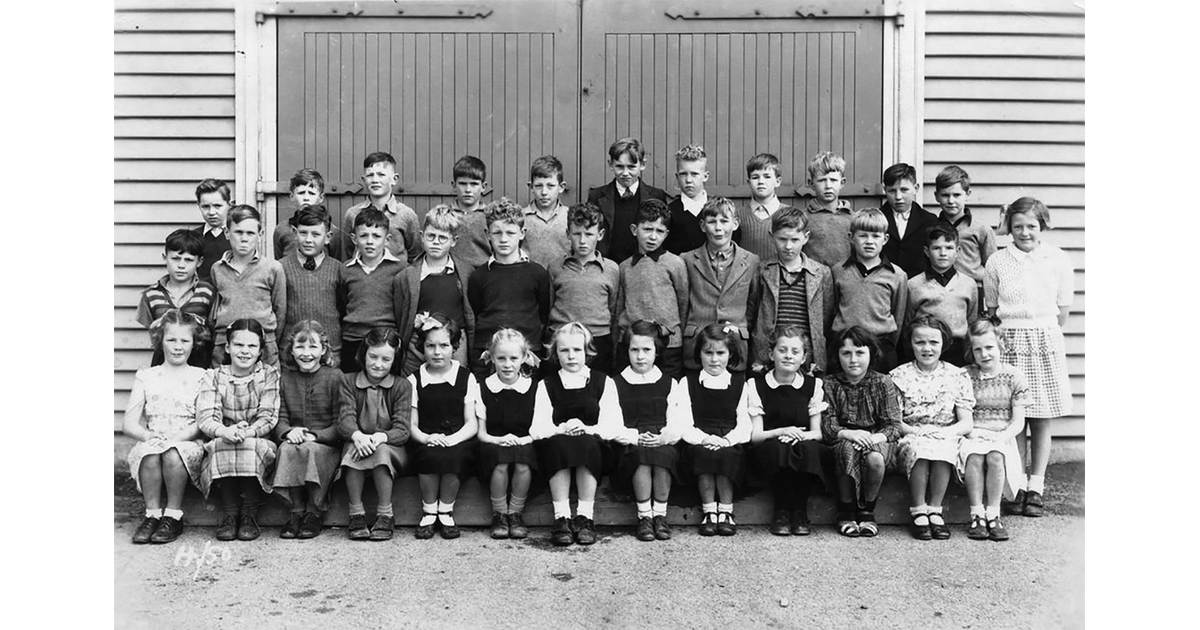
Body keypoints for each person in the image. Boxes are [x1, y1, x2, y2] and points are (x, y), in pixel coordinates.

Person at [983, 197, 1074, 518]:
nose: (1024, 232)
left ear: (1043, 226)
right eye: (1018, 226)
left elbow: (1062, 311)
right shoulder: (997, 261)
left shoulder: (1058, 259)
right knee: (1015, 417)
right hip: (1009, 340)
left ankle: (1037, 486)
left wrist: (1039, 330)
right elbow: (992, 309)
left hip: (1044, 339)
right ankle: (1018, 483)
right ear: (1009, 227)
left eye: (1031, 226)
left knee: (1040, 416)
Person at [530, 323, 625, 546]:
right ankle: (561, 517)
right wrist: (561, 428)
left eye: (577, 350)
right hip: (557, 446)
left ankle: (585, 517)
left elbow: (613, 425)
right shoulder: (547, 384)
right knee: (558, 445)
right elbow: (537, 427)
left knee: (586, 444)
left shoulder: (603, 381)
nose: (571, 356)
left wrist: (587, 429)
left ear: (587, 351)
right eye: (564, 351)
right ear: (555, 353)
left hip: (594, 447)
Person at [124, 310, 209, 544]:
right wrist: (148, 435)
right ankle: (152, 514)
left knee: (171, 453)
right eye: (171, 340)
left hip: (187, 441)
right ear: (160, 341)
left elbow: (202, 422)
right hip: (154, 437)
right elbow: (128, 423)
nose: (178, 346)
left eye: (185, 340)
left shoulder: (201, 376)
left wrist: (175, 438)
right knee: (150, 453)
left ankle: (173, 515)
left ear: (195, 343)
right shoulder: (146, 376)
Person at [890, 316, 975, 541]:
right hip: (912, 432)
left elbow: (966, 422)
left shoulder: (957, 376)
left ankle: (935, 510)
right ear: (911, 344)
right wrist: (916, 432)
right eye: (920, 342)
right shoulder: (898, 376)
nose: (927, 348)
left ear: (944, 343)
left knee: (942, 447)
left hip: (946, 432)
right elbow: (894, 421)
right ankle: (919, 510)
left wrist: (946, 433)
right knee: (919, 447)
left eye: (933, 342)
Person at [197, 319, 281, 542]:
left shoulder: (269, 375)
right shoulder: (213, 376)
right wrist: (224, 431)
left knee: (248, 445)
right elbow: (206, 417)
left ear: (261, 350)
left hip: (258, 438)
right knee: (222, 444)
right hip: (224, 436)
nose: (245, 351)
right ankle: (230, 512)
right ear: (227, 347)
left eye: (252, 346)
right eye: (239, 345)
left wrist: (249, 431)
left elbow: (269, 415)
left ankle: (249, 513)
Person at [609, 320, 690, 542]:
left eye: (647, 350)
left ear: (657, 352)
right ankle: (644, 515)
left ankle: (660, 515)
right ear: (627, 351)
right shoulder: (615, 383)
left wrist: (665, 437)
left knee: (663, 455)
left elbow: (677, 419)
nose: (640, 356)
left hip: (662, 439)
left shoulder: (669, 383)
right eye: (634, 350)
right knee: (642, 457)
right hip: (630, 444)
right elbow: (611, 422)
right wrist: (635, 437)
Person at [748, 325, 830, 537]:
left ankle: (800, 511)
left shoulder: (813, 385)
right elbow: (756, 437)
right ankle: (782, 511)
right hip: (770, 445)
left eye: (795, 352)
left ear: (803, 359)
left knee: (809, 449)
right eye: (782, 350)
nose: (788, 356)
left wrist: (797, 435)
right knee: (779, 449)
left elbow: (817, 433)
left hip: (802, 441)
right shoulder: (756, 385)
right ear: (771, 354)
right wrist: (782, 431)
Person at [821, 327, 901, 538]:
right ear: (838, 356)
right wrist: (849, 434)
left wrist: (871, 438)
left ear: (871, 354)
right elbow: (828, 425)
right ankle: (846, 511)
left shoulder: (883, 382)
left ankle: (867, 511)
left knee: (874, 457)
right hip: (843, 439)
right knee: (847, 450)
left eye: (860, 353)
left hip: (876, 438)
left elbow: (893, 426)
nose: (853, 360)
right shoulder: (829, 384)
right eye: (846, 353)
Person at [406, 314, 480, 540]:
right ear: (422, 348)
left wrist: (453, 439)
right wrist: (426, 438)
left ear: (455, 346)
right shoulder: (414, 379)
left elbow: (472, 423)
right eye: (430, 346)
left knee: (454, 456)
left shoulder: (466, 377)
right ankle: (429, 511)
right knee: (429, 455)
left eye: (444, 345)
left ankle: (446, 510)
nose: (437, 352)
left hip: (458, 438)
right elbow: (412, 425)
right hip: (426, 438)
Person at [337, 327, 412, 541]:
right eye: (373, 356)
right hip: (357, 441)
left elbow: (402, 430)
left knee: (380, 452)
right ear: (363, 354)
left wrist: (380, 437)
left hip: (390, 448)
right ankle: (356, 513)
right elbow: (345, 419)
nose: (378, 364)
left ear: (394, 360)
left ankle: (385, 514)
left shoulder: (401, 386)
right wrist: (357, 436)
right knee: (352, 450)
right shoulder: (348, 381)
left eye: (386, 359)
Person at [272, 320, 343, 540]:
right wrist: (288, 432)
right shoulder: (285, 379)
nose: (306, 353)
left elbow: (340, 423)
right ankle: (296, 511)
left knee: (311, 449)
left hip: (326, 445)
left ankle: (314, 511)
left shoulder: (334, 377)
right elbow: (279, 418)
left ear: (323, 350)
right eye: (300, 347)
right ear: (291, 350)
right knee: (287, 448)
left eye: (313, 347)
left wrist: (316, 436)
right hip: (296, 442)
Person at [680, 323, 753, 537]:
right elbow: (684, 422)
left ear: (730, 355)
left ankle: (726, 512)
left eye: (720, 353)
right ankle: (709, 511)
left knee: (726, 455)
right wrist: (703, 439)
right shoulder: (688, 383)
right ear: (699, 354)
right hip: (699, 440)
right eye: (708, 352)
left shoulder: (740, 384)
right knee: (704, 454)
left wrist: (727, 440)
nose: (714, 359)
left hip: (729, 441)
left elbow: (745, 424)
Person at [959, 319, 1030, 541]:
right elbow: (963, 414)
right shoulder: (965, 375)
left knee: (996, 456)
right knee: (975, 457)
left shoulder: (1014, 376)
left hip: (1002, 435)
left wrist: (1001, 437)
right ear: (971, 351)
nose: (984, 354)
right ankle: (976, 514)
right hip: (973, 433)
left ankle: (993, 514)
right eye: (977, 349)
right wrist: (972, 433)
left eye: (989, 347)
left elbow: (1018, 422)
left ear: (1001, 344)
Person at [466, 198, 551, 378]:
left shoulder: (537, 274)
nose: (503, 239)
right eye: (497, 233)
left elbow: (543, 315)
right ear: (487, 234)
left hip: (527, 353)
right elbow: (476, 311)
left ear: (522, 233)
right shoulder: (479, 276)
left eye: (510, 233)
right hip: (487, 355)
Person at [474, 329, 541, 540]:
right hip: (493, 442)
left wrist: (523, 440)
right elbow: (481, 433)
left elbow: (539, 429)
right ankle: (500, 513)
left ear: (524, 358)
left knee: (523, 461)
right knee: (500, 461)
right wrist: (499, 439)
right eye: (501, 358)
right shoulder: (483, 388)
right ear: (492, 358)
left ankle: (515, 513)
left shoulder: (534, 388)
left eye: (514, 358)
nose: (507, 364)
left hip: (526, 441)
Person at [681, 197, 761, 374]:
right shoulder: (686, 260)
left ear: (735, 224)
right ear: (702, 226)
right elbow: (683, 304)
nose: (718, 228)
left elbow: (752, 305)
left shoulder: (751, 261)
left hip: (735, 347)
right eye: (712, 222)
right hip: (697, 347)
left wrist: (740, 330)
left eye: (724, 221)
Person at [751, 207, 834, 375]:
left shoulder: (821, 273)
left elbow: (826, 317)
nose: (788, 246)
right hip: (770, 353)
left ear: (806, 237)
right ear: (771, 236)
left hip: (807, 356)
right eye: (782, 239)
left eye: (795, 240)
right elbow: (752, 312)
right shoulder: (762, 270)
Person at [393, 205, 476, 376]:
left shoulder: (466, 273)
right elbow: (401, 314)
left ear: (454, 240)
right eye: (431, 236)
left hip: (455, 345)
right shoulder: (406, 277)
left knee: (454, 389)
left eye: (442, 238)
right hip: (418, 345)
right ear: (422, 237)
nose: (436, 242)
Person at [614, 199, 690, 379]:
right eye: (647, 229)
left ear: (666, 234)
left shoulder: (675, 264)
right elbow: (619, 308)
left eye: (659, 231)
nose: (653, 236)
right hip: (633, 345)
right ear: (634, 230)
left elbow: (683, 303)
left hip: (669, 345)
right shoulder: (624, 267)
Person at [829, 208, 908, 373]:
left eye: (875, 236)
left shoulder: (896, 275)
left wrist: (887, 342)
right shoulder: (838, 271)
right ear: (851, 238)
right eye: (863, 235)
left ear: (885, 239)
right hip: (845, 346)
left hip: (881, 347)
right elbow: (833, 307)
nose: (869, 241)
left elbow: (898, 315)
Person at [546, 203, 621, 374]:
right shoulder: (556, 267)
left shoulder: (611, 269)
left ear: (600, 235)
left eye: (588, 234)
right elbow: (549, 305)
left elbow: (613, 308)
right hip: (562, 339)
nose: (582, 241)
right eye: (577, 234)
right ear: (568, 234)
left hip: (598, 339)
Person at [210, 205, 287, 367]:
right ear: (227, 233)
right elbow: (214, 309)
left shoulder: (272, 268)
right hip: (225, 345)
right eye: (238, 232)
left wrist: (269, 339)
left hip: (264, 344)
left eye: (250, 233)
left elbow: (280, 311)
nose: (244, 238)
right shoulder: (217, 269)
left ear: (260, 235)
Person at [136, 229, 217, 368]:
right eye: (175, 258)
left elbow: (214, 330)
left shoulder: (207, 292)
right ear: (164, 257)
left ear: (199, 261)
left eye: (188, 260)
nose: (181, 265)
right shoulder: (151, 295)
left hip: (199, 364)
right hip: (163, 365)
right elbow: (153, 333)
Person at [337, 208, 405, 373]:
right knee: (354, 389)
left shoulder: (399, 268)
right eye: (363, 235)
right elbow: (342, 303)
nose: (369, 241)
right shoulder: (345, 270)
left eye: (376, 236)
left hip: (385, 340)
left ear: (387, 239)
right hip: (353, 339)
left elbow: (403, 308)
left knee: (386, 390)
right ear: (354, 238)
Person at [904, 223, 978, 367]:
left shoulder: (968, 284)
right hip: (926, 350)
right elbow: (908, 323)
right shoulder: (914, 285)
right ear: (926, 251)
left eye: (949, 248)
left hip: (958, 351)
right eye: (936, 248)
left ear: (957, 251)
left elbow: (972, 321)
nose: (943, 253)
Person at [587, 137, 670, 263]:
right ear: (610, 165)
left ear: (642, 165)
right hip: (607, 265)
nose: (625, 173)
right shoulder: (596, 196)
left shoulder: (657, 196)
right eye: (619, 167)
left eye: (631, 167)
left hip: (645, 265)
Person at [278, 205, 343, 363]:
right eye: (303, 233)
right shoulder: (280, 268)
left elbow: (343, 310)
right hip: (293, 353)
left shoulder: (338, 269)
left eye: (315, 234)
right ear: (295, 233)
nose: (308, 240)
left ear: (328, 237)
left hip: (329, 352)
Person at [933, 165, 996, 314]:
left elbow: (992, 268)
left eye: (956, 195)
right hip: (939, 290)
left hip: (974, 291)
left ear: (967, 194)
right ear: (936, 196)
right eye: (945, 195)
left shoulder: (981, 229)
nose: (951, 201)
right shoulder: (931, 227)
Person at [341, 151, 421, 264]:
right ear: (364, 180)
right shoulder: (353, 214)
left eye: (381, 175)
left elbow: (415, 253)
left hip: (397, 278)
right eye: (370, 175)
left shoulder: (406, 214)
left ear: (394, 179)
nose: (375, 180)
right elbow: (350, 250)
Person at [734, 153, 798, 260]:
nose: (761, 182)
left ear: (777, 182)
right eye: (755, 177)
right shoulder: (738, 215)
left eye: (767, 177)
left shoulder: (791, 214)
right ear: (749, 182)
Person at [880, 162, 938, 278]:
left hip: (919, 284)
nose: (898, 197)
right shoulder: (877, 218)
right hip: (885, 283)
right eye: (892, 191)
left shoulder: (929, 220)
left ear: (916, 188)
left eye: (904, 190)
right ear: (885, 190)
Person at [800, 151, 854, 269]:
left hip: (845, 279)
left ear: (842, 183)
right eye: (822, 180)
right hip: (814, 279)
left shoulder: (853, 218)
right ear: (811, 184)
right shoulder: (802, 218)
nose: (828, 186)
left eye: (833, 180)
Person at [522, 155, 571, 269]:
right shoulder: (521, 217)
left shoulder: (569, 216)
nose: (544, 192)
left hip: (562, 279)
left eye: (550, 186)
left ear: (561, 187)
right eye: (539, 186)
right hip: (530, 280)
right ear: (531, 187)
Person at [446, 154, 494, 268]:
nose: (468, 190)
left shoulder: (491, 217)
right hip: (452, 276)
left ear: (483, 186)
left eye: (474, 184)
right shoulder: (444, 216)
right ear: (454, 185)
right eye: (463, 184)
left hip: (484, 275)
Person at [272, 168, 329, 260]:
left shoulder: (329, 229)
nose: (306, 198)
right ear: (292, 196)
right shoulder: (282, 229)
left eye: (311, 193)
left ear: (321, 198)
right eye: (301, 193)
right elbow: (278, 260)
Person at [663, 144, 710, 255]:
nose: (688, 180)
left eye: (694, 174)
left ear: (705, 176)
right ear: (677, 177)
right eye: (683, 174)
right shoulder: (669, 212)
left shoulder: (717, 209)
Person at [193, 177, 232, 280]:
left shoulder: (237, 236)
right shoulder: (194, 237)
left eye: (217, 206)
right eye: (205, 207)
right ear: (199, 206)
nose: (211, 212)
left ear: (229, 204)